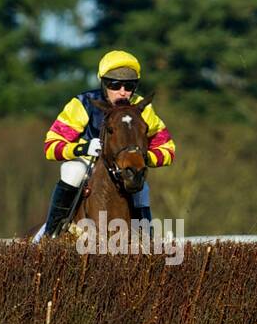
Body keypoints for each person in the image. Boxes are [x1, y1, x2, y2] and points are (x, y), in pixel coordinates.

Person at [40, 49, 175, 237]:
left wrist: (142, 157)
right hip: (87, 163)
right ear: (104, 84)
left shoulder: (142, 109)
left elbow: (168, 149)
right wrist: (83, 148)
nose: (122, 92)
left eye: (129, 86)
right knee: (72, 171)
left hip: (124, 167)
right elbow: (51, 146)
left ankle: (147, 239)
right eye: (115, 84)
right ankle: (51, 234)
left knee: (142, 188)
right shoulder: (82, 104)